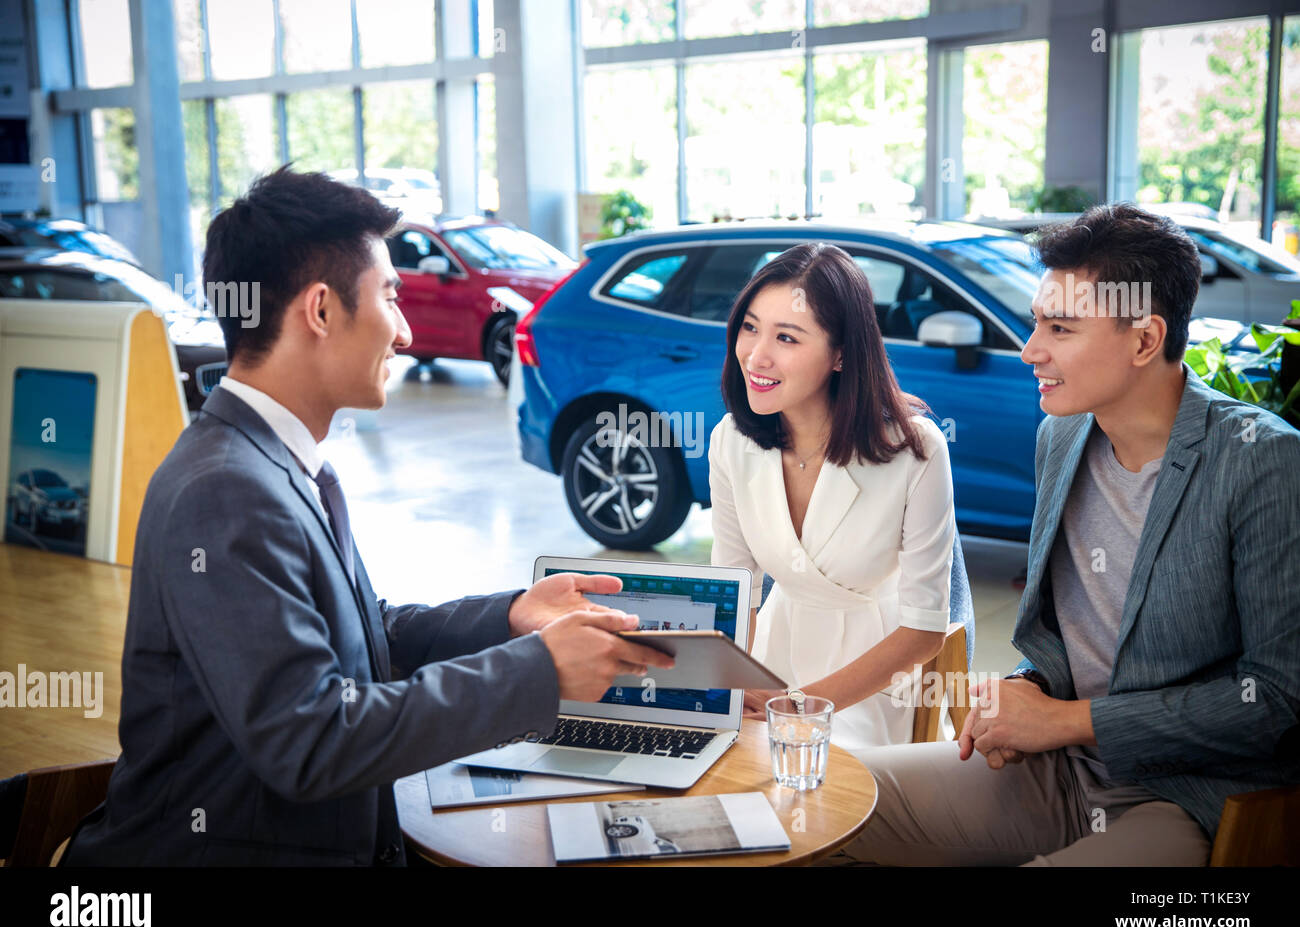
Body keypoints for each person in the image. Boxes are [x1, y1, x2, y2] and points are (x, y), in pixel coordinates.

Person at [61, 167, 672, 866]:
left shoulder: (273, 461)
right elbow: (311, 740)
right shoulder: (225, 491)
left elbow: (361, 636)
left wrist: (510, 619)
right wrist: (539, 671)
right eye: (389, 297)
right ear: (320, 311)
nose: (406, 332)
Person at [837, 203, 1300, 866]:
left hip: (1191, 797)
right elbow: (1074, 637)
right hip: (1061, 766)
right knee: (826, 803)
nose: (1031, 350)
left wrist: (1064, 722)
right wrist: (1029, 689)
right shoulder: (1062, 434)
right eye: (1036, 323)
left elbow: (1278, 700)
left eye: (1060, 328)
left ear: (1144, 340)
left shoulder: (1264, 462)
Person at [708, 242, 956, 760]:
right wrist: (733, 688)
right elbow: (732, 590)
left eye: (786, 337)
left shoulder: (916, 450)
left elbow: (923, 631)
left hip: (868, 681)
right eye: (750, 327)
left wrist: (800, 705)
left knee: (816, 787)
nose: (756, 355)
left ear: (841, 353)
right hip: (769, 660)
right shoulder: (731, 438)